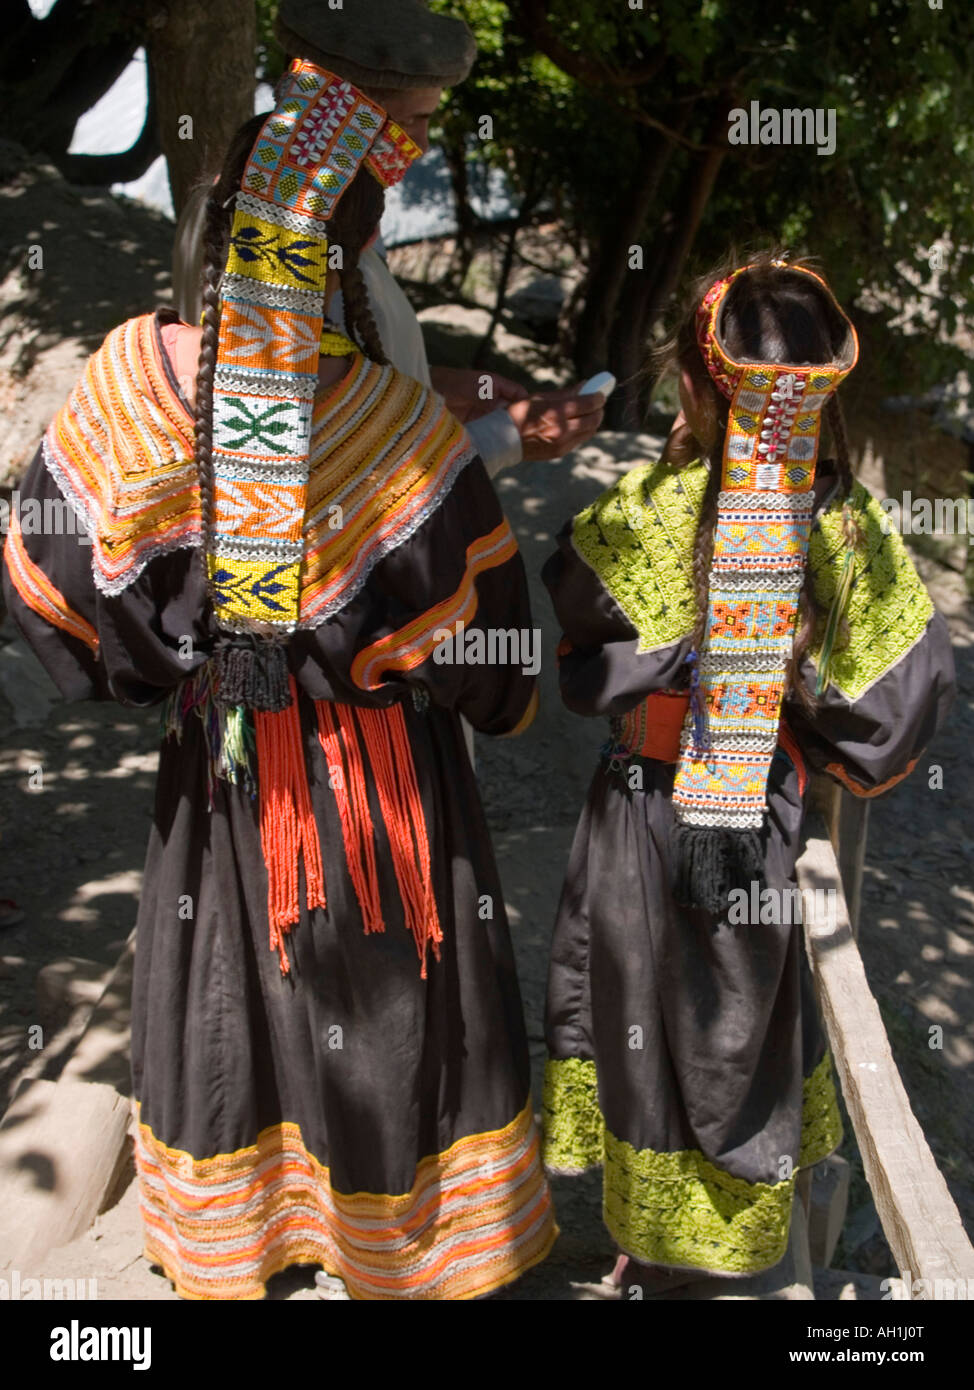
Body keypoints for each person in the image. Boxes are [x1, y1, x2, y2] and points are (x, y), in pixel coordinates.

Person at [3, 61, 557, 1300]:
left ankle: (247, 1232)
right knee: (385, 984)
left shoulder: (128, 391)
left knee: (233, 984)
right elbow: (493, 654)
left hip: (225, 771)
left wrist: (177, 656)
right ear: (340, 251)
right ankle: (397, 1240)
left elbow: (48, 599)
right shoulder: (388, 430)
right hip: (383, 787)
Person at [539, 253, 956, 1291]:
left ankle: (649, 1251)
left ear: (694, 378)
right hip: (754, 818)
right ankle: (731, 1262)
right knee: (736, 1023)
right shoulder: (845, 529)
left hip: (639, 814)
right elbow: (896, 713)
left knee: (637, 1015)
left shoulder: (646, 509)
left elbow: (581, 647)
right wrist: (789, 707)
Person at [172, 0, 605, 480]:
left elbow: (338, 389)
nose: (420, 144)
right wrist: (510, 438)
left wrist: (430, 387)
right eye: (412, 120)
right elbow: (346, 477)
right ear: (349, 123)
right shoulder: (294, 258)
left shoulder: (234, 203)